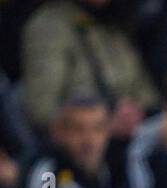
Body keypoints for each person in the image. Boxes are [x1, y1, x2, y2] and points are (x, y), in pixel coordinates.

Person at [20, 0, 158, 137]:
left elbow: (146, 92)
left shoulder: (115, 19)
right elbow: (42, 110)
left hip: (134, 136)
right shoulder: (49, 27)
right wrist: (100, 124)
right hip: (78, 146)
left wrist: (135, 112)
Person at [17, 94, 131, 188]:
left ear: (108, 132)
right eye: (78, 129)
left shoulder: (111, 173)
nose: (89, 140)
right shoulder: (48, 176)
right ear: (59, 132)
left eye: (97, 129)